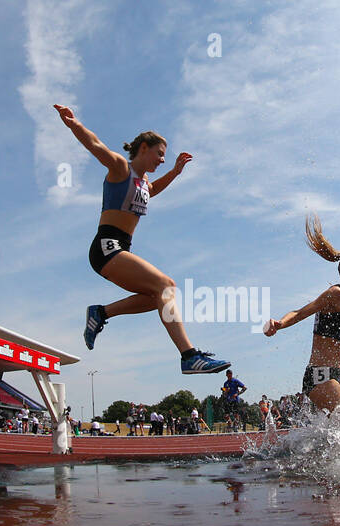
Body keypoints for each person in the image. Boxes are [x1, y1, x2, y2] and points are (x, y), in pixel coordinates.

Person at [54, 104, 230, 375]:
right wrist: (73, 124)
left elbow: (152, 190)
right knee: (166, 286)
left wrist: (174, 172)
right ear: (143, 148)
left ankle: (101, 313)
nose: (161, 160)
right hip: (106, 246)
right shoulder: (120, 168)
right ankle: (189, 355)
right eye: (160, 154)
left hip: (121, 247)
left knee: (156, 297)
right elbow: (95, 145)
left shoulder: (144, 183)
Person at [264, 215, 340, 413]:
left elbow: (333, 337)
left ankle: (319, 442)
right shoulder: (335, 294)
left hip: (335, 374)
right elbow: (299, 312)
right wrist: (279, 323)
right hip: (318, 375)